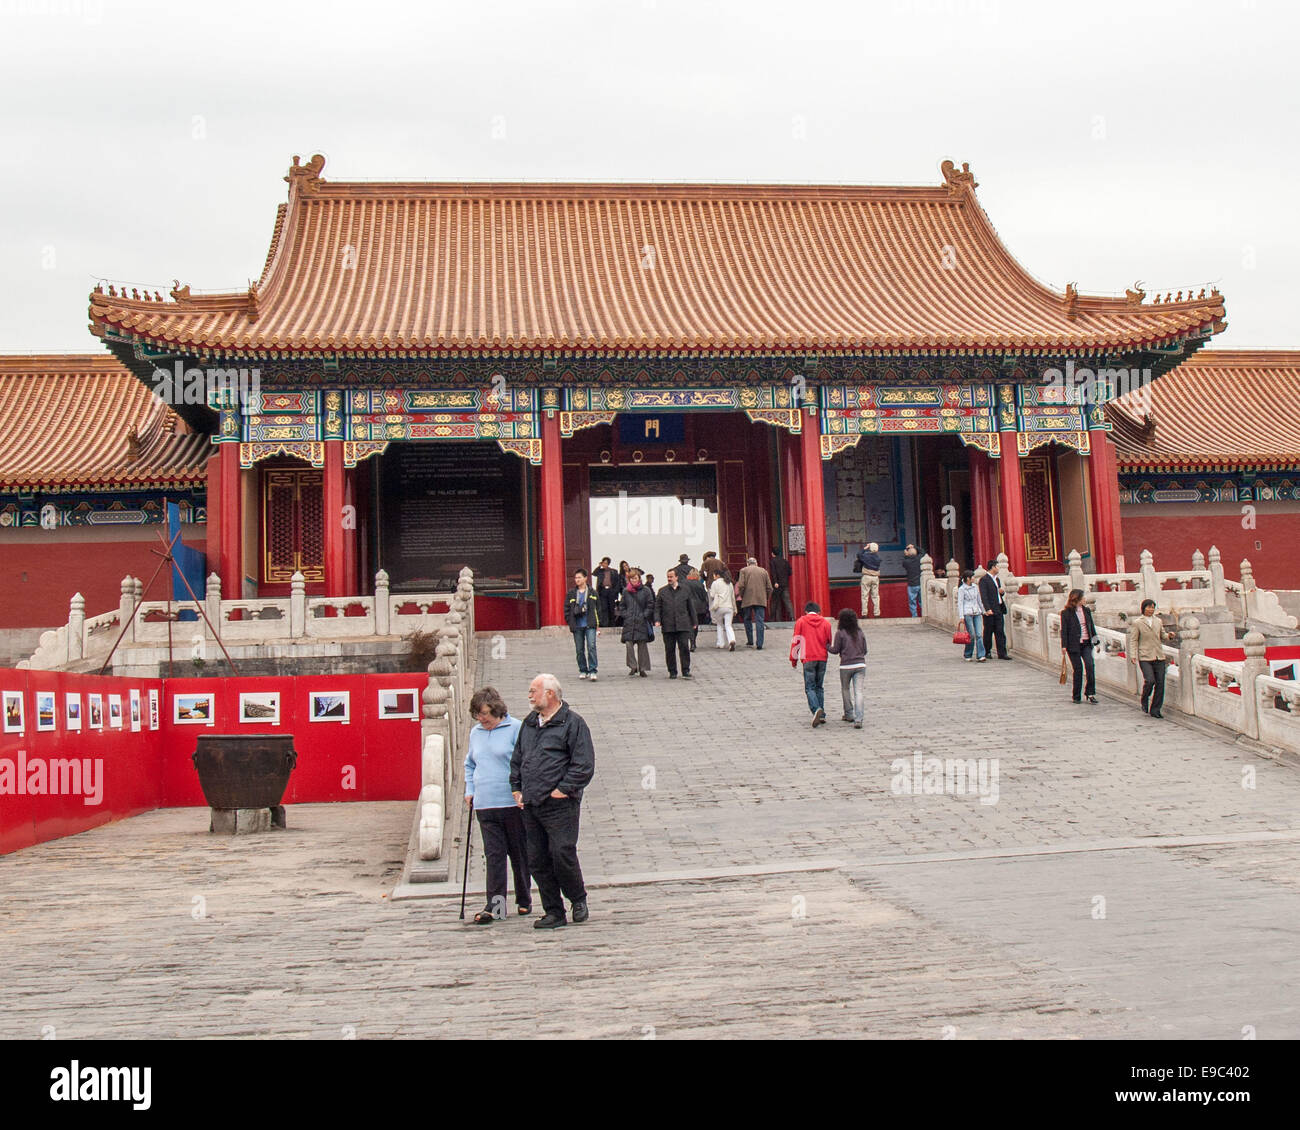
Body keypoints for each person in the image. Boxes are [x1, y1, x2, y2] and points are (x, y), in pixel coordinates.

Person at [510, 674, 595, 929]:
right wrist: (516, 788)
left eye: (533, 691)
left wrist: (563, 789)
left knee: (561, 853)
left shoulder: (573, 724)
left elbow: (584, 764)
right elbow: (518, 758)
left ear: (550, 694)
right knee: (536, 859)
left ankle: (577, 898)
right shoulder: (529, 724)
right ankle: (553, 910)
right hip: (531, 803)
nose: (529, 696)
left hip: (560, 804)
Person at [463, 687, 530, 924]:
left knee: (519, 854)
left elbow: (525, 762)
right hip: (485, 804)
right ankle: (496, 906)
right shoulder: (476, 733)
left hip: (511, 803)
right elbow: (469, 765)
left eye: (485, 713)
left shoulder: (516, 728)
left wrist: (522, 790)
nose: (482, 719)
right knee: (494, 856)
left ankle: (524, 898)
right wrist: (469, 790)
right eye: (478, 714)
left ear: (496, 709)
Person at [791, 601, 833, 726]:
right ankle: (822, 714)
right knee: (819, 686)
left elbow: (796, 641)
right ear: (819, 612)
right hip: (822, 657)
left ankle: (816, 709)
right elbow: (829, 641)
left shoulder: (801, 622)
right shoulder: (826, 623)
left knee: (809, 687)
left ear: (806, 612)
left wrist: (794, 659)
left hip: (808, 657)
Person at [828, 608, 868, 728]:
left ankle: (849, 714)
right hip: (860, 665)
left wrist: (826, 646)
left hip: (845, 665)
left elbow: (835, 650)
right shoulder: (860, 632)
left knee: (845, 689)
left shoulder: (840, 633)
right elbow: (865, 650)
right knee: (858, 691)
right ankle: (859, 719)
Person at [1127, 598, 1167, 718]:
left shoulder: (1158, 621)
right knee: (1150, 680)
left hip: (1158, 655)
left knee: (1160, 684)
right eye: (1148, 607)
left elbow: (1162, 635)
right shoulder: (1138, 622)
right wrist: (1133, 655)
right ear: (1143, 608)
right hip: (1145, 656)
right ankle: (1145, 698)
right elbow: (1133, 640)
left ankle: (1155, 709)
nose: (1151, 609)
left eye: (1152, 607)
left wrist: (1169, 636)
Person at [655, 568, 696, 679]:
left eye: (671, 577)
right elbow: (657, 608)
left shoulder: (685, 590)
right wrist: (657, 619)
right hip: (668, 625)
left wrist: (694, 621)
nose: (669, 579)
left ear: (676, 577)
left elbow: (690, 607)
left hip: (683, 624)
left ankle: (686, 670)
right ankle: (672, 671)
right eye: (668, 577)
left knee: (684, 647)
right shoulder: (662, 591)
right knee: (669, 649)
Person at [1061, 588, 1099, 704]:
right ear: (1077, 599)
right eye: (1082, 597)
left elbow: (1091, 627)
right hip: (1073, 645)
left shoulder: (1086, 611)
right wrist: (1064, 646)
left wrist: (1096, 643)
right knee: (1078, 669)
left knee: (1090, 667)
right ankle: (1076, 695)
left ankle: (1090, 693)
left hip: (1087, 644)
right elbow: (1064, 630)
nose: (1084, 599)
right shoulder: (1066, 613)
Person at [564, 569, 600, 681]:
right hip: (577, 625)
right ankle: (583, 669)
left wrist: (598, 624)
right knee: (579, 649)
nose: (577, 580)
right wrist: (570, 621)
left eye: (579, 577)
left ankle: (593, 670)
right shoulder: (571, 593)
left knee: (591, 647)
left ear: (585, 578)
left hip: (590, 623)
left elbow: (598, 609)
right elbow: (566, 609)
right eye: (576, 578)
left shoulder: (593, 593)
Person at [618, 567, 655, 677]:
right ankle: (633, 666)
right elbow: (622, 605)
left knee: (642, 645)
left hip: (641, 621)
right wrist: (625, 615)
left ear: (639, 578)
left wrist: (644, 615)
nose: (633, 580)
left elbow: (650, 604)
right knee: (629, 644)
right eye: (631, 579)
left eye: (635, 578)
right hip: (629, 621)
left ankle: (643, 668)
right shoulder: (626, 591)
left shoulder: (646, 590)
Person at [736, 555, 774, 649]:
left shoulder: (744, 570)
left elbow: (741, 585)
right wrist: (766, 597)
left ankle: (750, 640)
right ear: (756, 563)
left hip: (747, 598)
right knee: (759, 621)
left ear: (747, 564)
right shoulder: (763, 571)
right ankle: (760, 643)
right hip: (761, 599)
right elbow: (769, 587)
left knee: (747, 619)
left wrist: (742, 595)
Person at [977, 560, 1010, 660]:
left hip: (998, 608)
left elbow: (997, 593)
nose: (998, 568)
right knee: (988, 631)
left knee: (1000, 631)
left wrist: (1001, 592)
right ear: (992, 567)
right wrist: (987, 609)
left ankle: (1002, 653)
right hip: (990, 610)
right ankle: (987, 651)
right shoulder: (984, 580)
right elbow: (984, 596)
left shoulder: (997, 579)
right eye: (997, 566)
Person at [957, 570, 987, 662]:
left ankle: (981, 655)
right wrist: (961, 616)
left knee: (979, 634)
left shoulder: (975, 587)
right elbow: (960, 603)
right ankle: (968, 653)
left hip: (976, 612)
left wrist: (983, 611)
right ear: (968, 579)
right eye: (972, 577)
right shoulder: (962, 589)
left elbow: (979, 600)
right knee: (971, 635)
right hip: (967, 613)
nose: (974, 578)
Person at [709, 566, 738, 650]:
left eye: (714, 575)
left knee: (720, 625)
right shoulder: (729, 583)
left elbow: (712, 595)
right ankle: (732, 640)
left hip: (719, 607)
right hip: (729, 607)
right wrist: (735, 609)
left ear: (717, 575)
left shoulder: (715, 583)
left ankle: (720, 643)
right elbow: (733, 597)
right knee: (728, 625)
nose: (713, 577)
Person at [591, 557, 621, 631]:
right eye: (603, 563)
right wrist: (599, 566)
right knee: (603, 607)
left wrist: (615, 592)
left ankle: (612, 623)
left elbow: (617, 582)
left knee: (611, 607)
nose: (604, 564)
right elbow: (594, 573)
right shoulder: (600, 571)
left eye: (606, 563)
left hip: (611, 590)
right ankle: (605, 623)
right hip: (603, 590)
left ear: (608, 564)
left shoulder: (614, 571)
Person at [854, 542, 882, 618]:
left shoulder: (866, 556)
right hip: (875, 577)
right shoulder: (878, 559)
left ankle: (864, 614)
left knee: (864, 596)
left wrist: (865, 548)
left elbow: (859, 554)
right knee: (875, 596)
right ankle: (877, 614)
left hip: (866, 577)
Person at [685, 567, 709, 652]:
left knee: (689, 624)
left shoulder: (685, 583)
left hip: (688, 606)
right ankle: (693, 641)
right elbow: (703, 596)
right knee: (695, 625)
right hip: (699, 607)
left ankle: (691, 642)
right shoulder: (699, 584)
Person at [768, 549, 794, 622]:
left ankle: (772, 619)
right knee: (787, 601)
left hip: (777, 585)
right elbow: (790, 572)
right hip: (785, 584)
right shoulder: (785, 561)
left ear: (773, 554)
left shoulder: (773, 561)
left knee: (774, 601)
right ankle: (792, 617)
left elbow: (773, 572)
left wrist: (775, 582)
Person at [902, 544, 922, 617]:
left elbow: (904, 562)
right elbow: (922, 552)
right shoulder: (919, 559)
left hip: (912, 584)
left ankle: (914, 616)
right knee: (921, 601)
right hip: (920, 583)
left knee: (912, 602)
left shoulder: (906, 562)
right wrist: (914, 547)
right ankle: (925, 615)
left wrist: (906, 555)